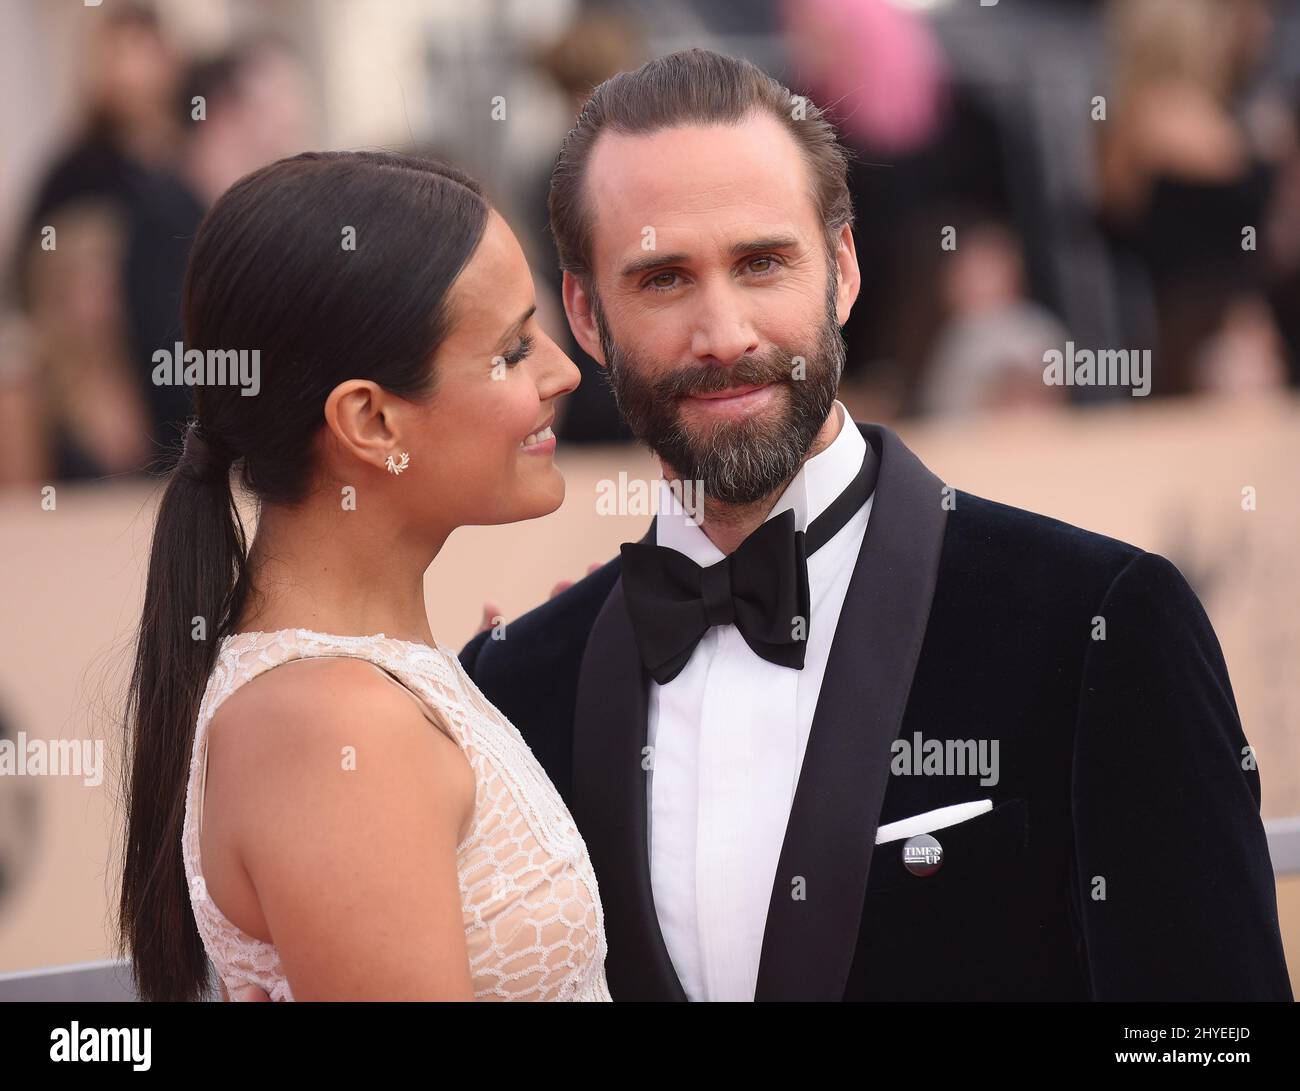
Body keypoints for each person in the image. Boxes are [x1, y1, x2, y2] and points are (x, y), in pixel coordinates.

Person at [457, 49, 1293, 1001]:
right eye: (662, 279)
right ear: (586, 315)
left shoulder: (1099, 623)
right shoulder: (515, 687)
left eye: (762, 262)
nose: (724, 331)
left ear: (843, 271)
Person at [116, 150, 608, 1001]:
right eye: (515, 347)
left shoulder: (360, 697)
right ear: (371, 420)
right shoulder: (333, 726)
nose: (563, 371)